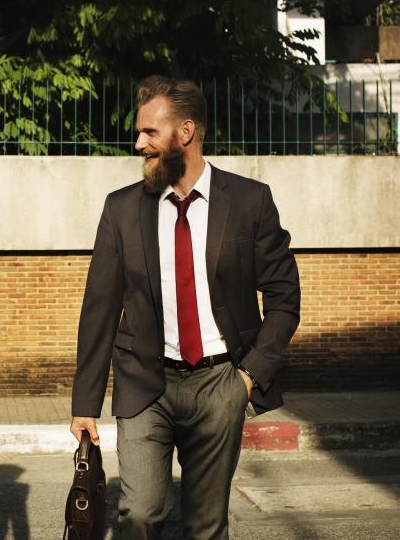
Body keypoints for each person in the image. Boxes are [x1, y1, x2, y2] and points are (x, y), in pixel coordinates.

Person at [70, 75, 300, 539]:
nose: (138, 144)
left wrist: (247, 377)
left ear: (186, 132)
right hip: (144, 383)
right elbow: (100, 308)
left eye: (150, 133)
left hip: (220, 382)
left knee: (205, 526)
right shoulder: (121, 210)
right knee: (138, 514)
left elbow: (283, 296)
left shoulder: (250, 202)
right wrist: (85, 404)